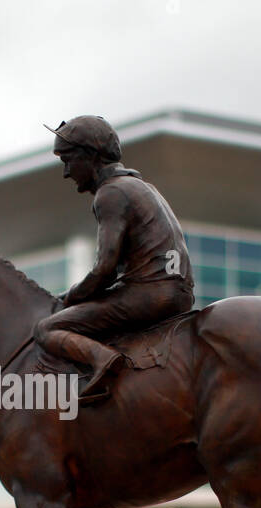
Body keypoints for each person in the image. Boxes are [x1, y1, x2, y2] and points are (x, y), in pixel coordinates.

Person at [35, 115, 196, 403]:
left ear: (90, 156)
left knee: (48, 328)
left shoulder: (110, 194)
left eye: (68, 160)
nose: (66, 172)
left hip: (150, 294)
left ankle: (104, 359)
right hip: (178, 293)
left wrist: (69, 296)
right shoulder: (142, 187)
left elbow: (104, 270)